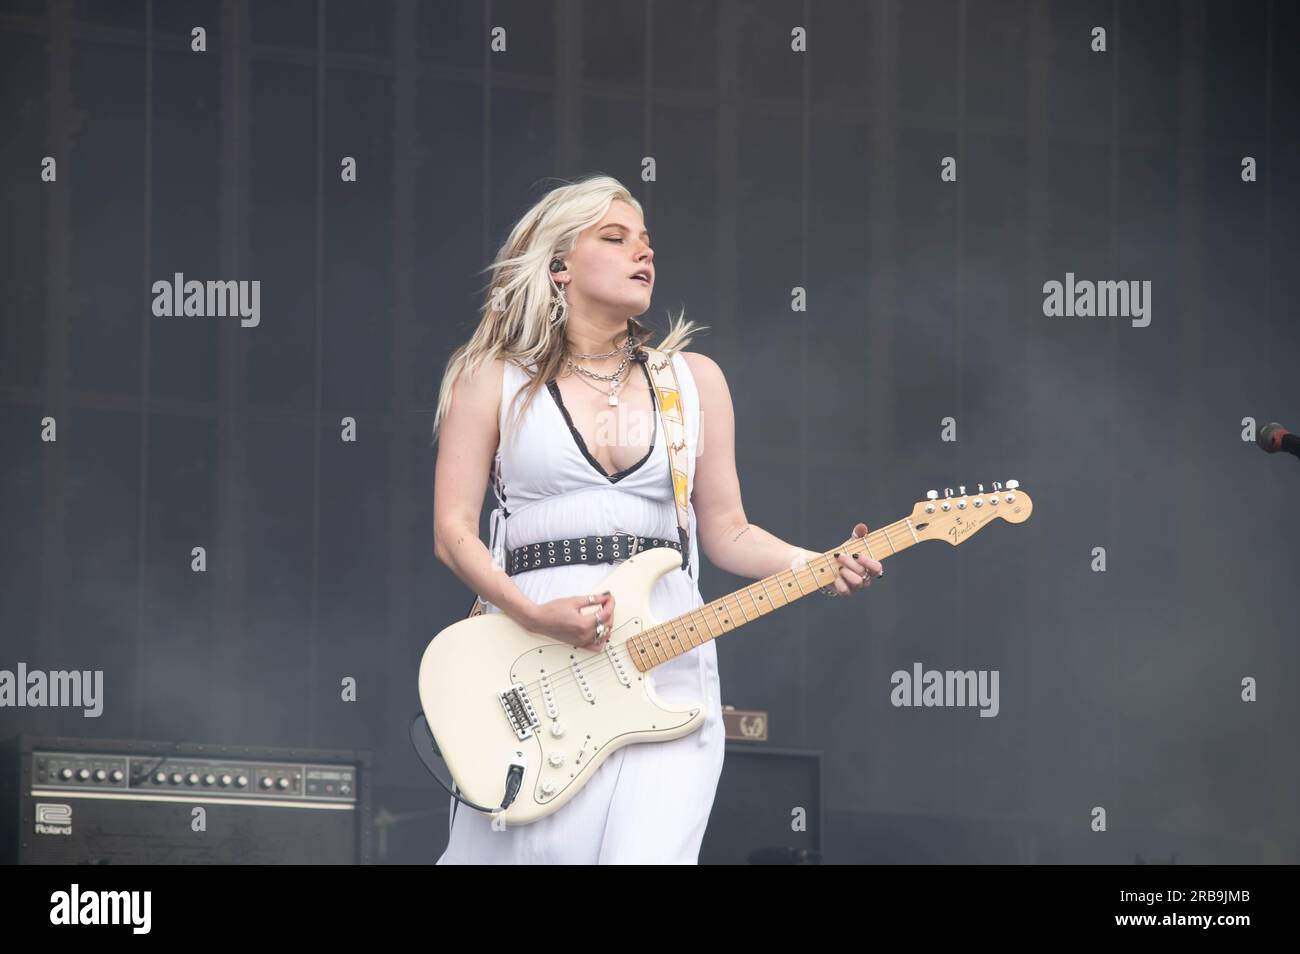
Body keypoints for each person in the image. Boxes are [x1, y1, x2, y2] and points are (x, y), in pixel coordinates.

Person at [429, 174, 882, 864]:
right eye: (614, 239)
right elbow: (453, 531)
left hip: (664, 663)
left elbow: (727, 531)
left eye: (647, 243)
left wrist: (812, 566)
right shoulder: (492, 377)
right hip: (534, 657)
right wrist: (531, 612)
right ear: (558, 266)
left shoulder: (692, 383)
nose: (642, 253)